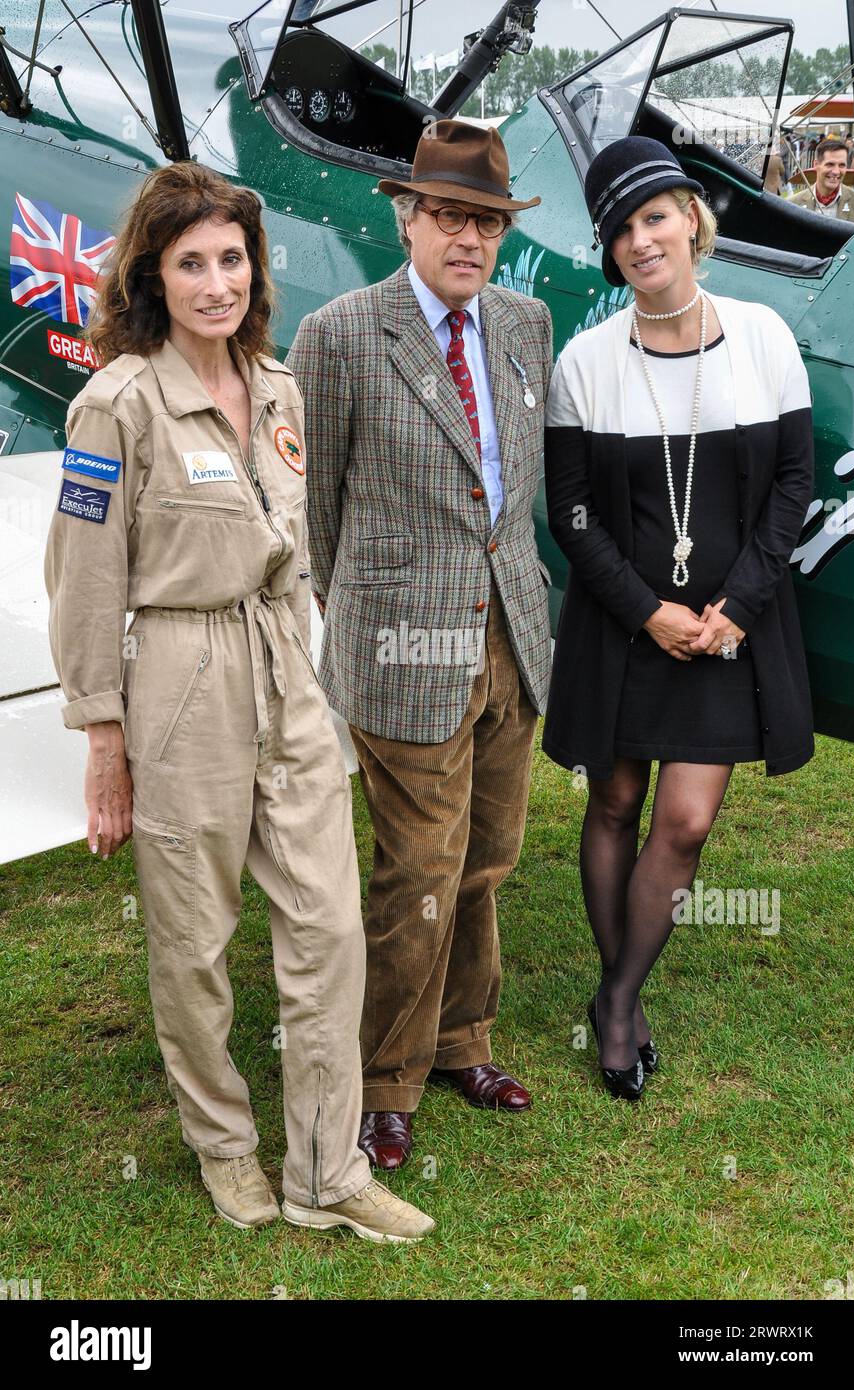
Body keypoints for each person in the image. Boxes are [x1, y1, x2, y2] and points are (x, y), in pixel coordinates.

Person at [44, 162, 433, 1242]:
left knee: (327, 927)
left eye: (232, 259)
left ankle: (324, 1167)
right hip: (180, 677)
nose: (216, 282)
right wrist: (104, 741)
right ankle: (223, 1146)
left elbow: (294, 544)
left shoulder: (276, 387)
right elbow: (82, 581)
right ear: (153, 277)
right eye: (191, 263)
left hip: (282, 669)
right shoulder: (115, 403)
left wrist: (301, 665)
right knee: (193, 942)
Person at [288, 120, 553, 1169]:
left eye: (486, 220)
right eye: (449, 215)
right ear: (406, 218)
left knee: (486, 859)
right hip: (400, 647)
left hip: (510, 636)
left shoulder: (527, 327)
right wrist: (358, 618)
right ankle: (383, 1080)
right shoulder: (343, 333)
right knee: (419, 865)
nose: (469, 238)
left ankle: (462, 1038)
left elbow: (517, 499)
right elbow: (311, 515)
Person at [543, 136, 815, 1101]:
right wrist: (648, 611)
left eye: (654, 216)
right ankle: (623, 1009)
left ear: (691, 216)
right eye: (620, 231)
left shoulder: (763, 337)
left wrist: (733, 606)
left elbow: (792, 484)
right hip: (623, 625)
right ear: (609, 253)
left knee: (686, 821)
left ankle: (614, 995)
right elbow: (568, 511)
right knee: (613, 802)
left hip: (728, 627)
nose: (640, 240)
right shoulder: (584, 361)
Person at [789, 137, 854, 222]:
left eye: (842, 165)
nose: (836, 171)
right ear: (816, 164)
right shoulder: (793, 204)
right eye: (830, 164)